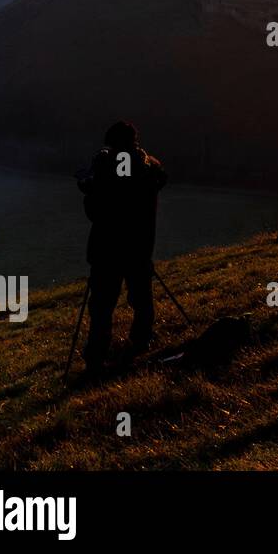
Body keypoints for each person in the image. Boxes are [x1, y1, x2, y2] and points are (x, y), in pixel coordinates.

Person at [77, 121, 167, 371]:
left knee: (102, 306)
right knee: (142, 299)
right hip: (140, 246)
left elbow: (94, 210)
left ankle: (96, 357)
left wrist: (88, 185)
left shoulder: (105, 168)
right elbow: (161, 178)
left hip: (107, 250)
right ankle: (140, 343)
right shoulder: (150, 167)